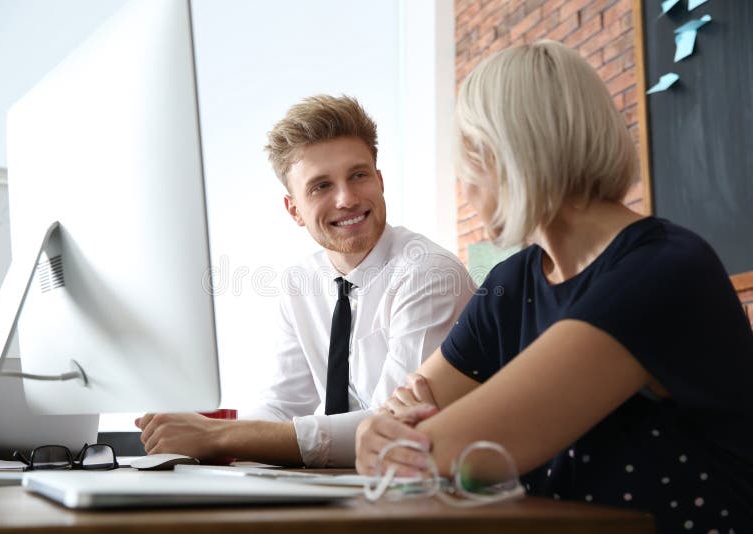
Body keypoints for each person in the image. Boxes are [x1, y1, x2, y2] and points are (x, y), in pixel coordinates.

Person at [355, 41, 753, 533]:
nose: (464, 185)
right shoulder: (512, 281)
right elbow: (402, 415)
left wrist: (395, 437)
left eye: (467, 162)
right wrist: (384, 429)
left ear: (501, 156)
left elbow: (449, 449)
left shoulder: (663, 270)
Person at [136, 94, 475, 467]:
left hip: (429, 491)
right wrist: (198, 438)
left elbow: (390, 428)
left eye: (358, 175)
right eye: (321, 186)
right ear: (294, 209)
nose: (346, 198)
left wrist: (219, 435)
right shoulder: (301, 282)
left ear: (379, 181)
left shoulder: (428, 273)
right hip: (356, 490)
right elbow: (281, 404)